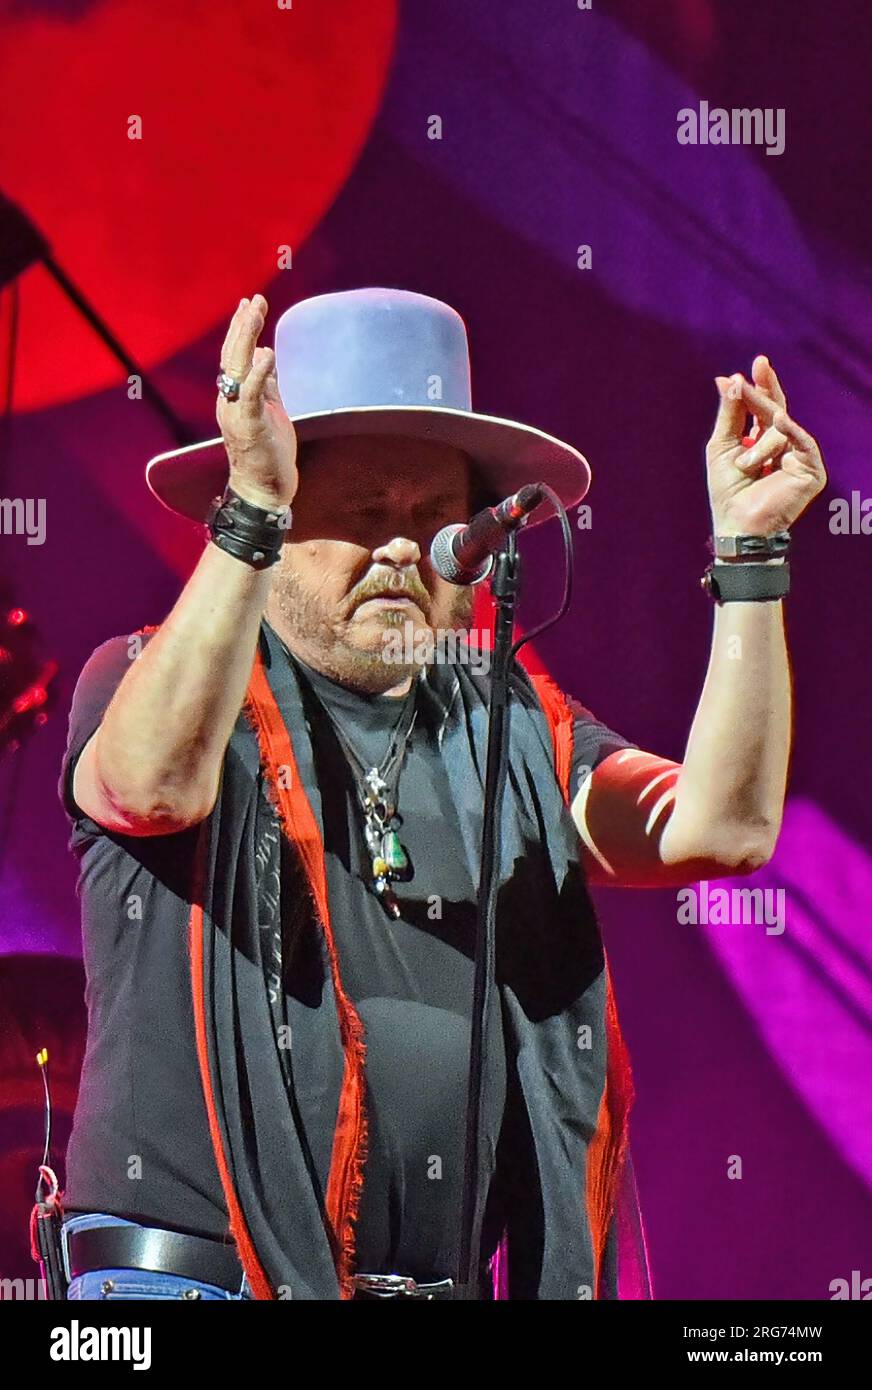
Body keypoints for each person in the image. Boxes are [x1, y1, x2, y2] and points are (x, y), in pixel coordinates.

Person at [57, 288, 825, 1301]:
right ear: (276, 520)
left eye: (432, 520)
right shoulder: (147, 679)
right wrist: (249, 512)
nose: (399, 549)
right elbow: (152, 789)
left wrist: (750, 559)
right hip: (196, 1288)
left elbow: (720, 829)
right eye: (359, 514)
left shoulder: (514, 727)